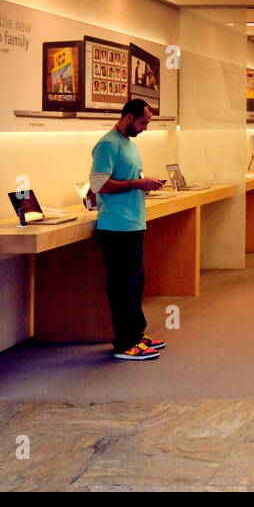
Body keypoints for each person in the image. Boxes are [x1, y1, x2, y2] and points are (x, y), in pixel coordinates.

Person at [90, 99, 166, 361]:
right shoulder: (108, 145)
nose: (145, 128)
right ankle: (125, 342)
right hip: (116, 225)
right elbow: (99, 183)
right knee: (123, 285)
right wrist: (138, 183)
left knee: (135, 281)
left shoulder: (130, 145)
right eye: (143, 122)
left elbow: (129, 179)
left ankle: (136, 333)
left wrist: (144, 183)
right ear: (129, 117)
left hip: (132, 223)